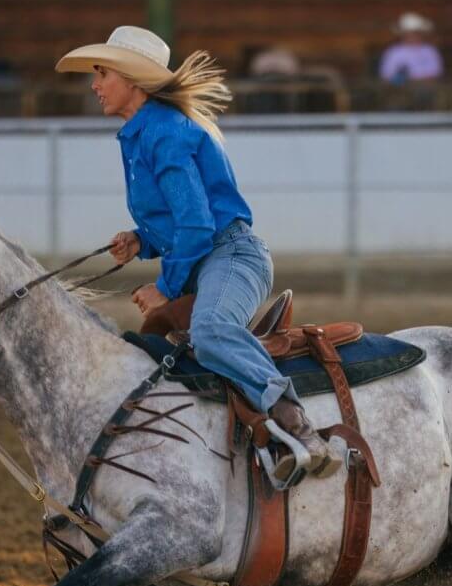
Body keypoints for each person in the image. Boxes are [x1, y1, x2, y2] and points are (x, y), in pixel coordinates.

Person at [55, 26, 343, 480]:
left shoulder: (163, 133)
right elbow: (180, 218)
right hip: (211, 259)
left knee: (209, 332)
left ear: (132, 79)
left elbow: (195, 225)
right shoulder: (144, 133)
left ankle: (297, 425)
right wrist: (141, 240)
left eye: (102, 73)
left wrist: (165, 287)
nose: (94, 85)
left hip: (231, 255)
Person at [378, 11, 443, 83]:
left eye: (415, 33)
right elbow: (386, 75)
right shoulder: (393, 51)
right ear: (402, 35)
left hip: (427, 87)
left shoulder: (430, 50)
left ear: (422, 34)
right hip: (399, 87)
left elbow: (436, 72)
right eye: (408, 34)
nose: (412, 37)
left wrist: (415, 80)